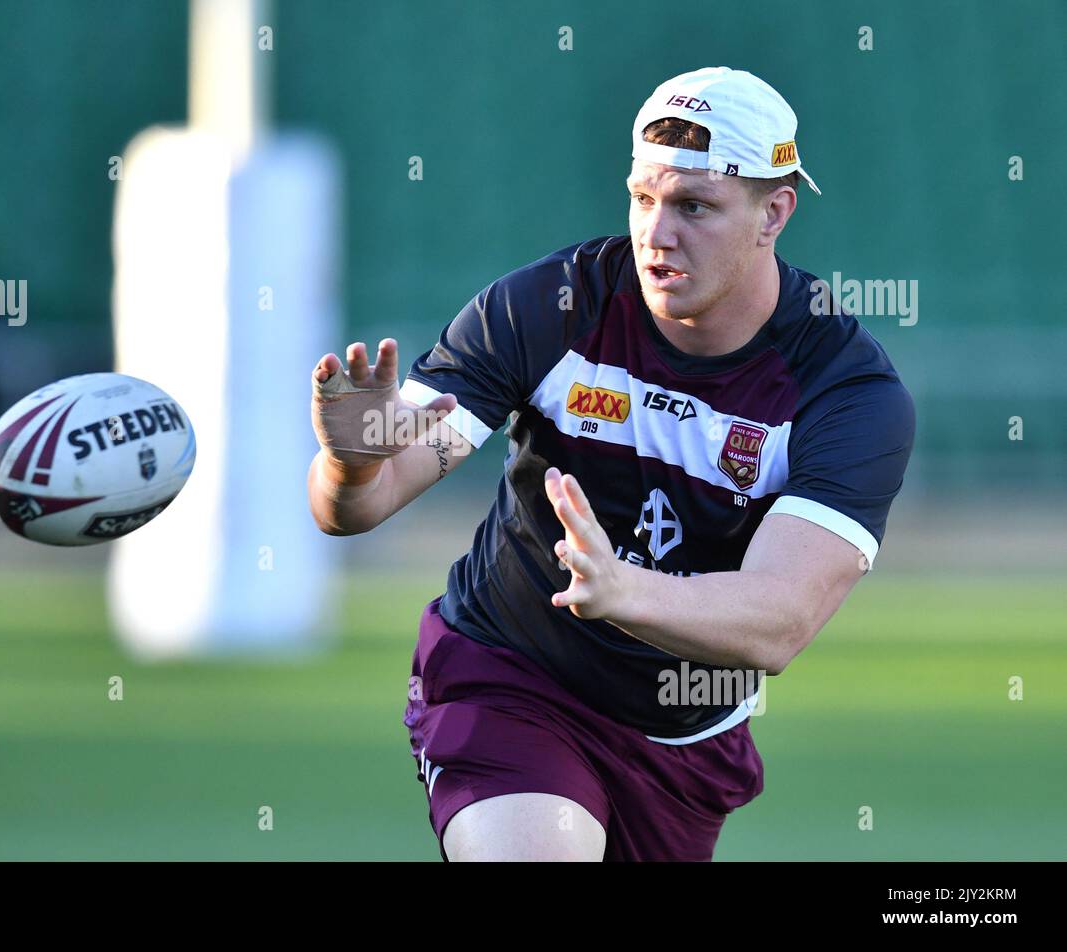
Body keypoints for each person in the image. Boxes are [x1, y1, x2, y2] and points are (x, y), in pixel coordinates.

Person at [307, 66, 915, 861]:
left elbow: (779, 620)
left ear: (774, 212)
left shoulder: (845, 391)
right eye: (643, 197)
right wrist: (350, 466)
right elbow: (359, 507)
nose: (657, 234)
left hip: (683, 739)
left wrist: (625, 592)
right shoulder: (546, 309)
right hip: (510, 678)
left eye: (695, 206)